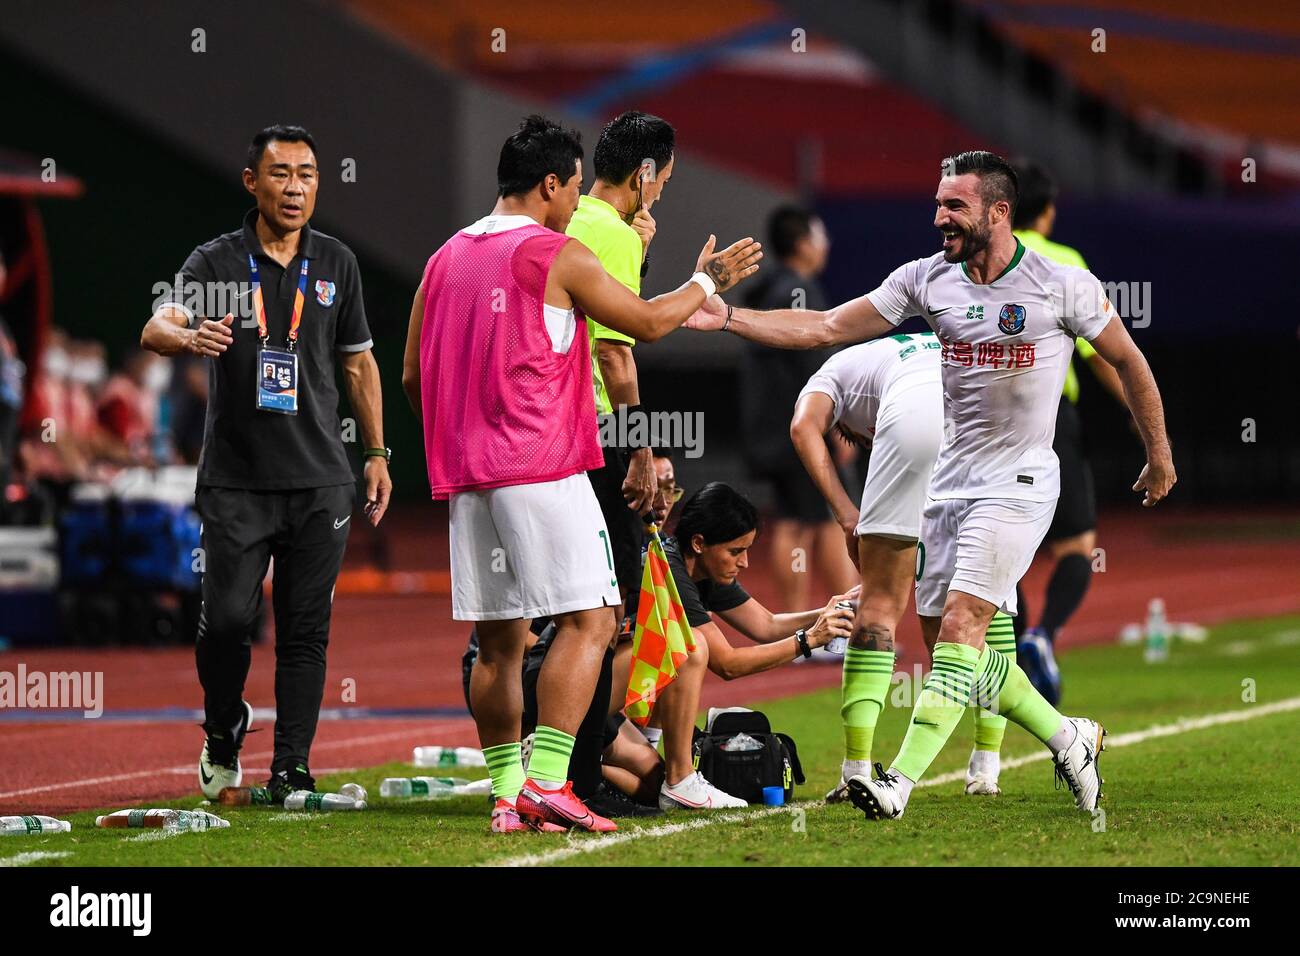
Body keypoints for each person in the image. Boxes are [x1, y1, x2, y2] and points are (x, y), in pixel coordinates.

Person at [688, 149, 1175, 819]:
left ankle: (898, 784)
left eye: (955, 206)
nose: (939, 216)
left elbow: (1128, 360)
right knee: (949, 646)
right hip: (948, 485)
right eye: (938, 203)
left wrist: (1159, 449)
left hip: (1021, 480)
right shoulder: (926, 280)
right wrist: (732, 318)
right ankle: (1070, 737)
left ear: (998, 213)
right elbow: (826, 328)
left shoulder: (1062, 285)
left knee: (961, 626)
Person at [401, 114, 760, 834]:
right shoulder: (552, 253)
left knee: (501, 642)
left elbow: (413, 374)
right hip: (541, 463)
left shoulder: (444, 257)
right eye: (570, 190)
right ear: (550, 184)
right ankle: (548, 782)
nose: (575, 206)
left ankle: (507, 795)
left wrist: (464, 435)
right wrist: (706, 279)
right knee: (593, 619)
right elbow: (646, 326)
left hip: (468, 475)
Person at [141, 124, 392, 803]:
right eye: (280, 174)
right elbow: (155, 326)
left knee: (306, 632)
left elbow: (359, 363)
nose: (295, 187)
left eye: (307, 174)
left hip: (321, 480)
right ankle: (223, 730)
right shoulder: (217, 263)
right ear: (252, 182)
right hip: (236, 482)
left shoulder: (337, 262)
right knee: (224, 622)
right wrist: (189, 336)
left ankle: (291, 769)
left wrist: (375, 452)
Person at [790, 334, 1019, 798]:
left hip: (914, 422)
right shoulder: (928, 341)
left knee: (878, 606)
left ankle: (856, 768)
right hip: (986, 425)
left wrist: (846, 513)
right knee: (980, 602)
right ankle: (986, 765)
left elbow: (802, 428)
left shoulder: (830, 373)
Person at [616, 482, 855, 810]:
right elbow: (727, 663)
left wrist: (827, 610)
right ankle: (676, 777)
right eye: (735, 551)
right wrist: (809, 640)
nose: (743, 562)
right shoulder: (672, 569)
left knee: (653, 787)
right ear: (699, 543)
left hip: (612, 701)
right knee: (691, 648)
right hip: (595, 705)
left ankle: (649, 758)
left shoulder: (698, 566)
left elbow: (766, 625)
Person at [1010, 160, 1130, 704]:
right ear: (1049, 211)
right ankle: (1043, 634)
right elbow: (1104, 352)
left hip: (982, 415)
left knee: (998, 543)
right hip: (1053, 416)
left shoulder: (979, 258)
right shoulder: (1065, 263)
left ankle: (1007, 653)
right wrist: (1135, 408)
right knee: (1077, 544)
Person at [739, 206, 856, 610]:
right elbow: (814, 366)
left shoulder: (774, 290)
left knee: (797, 522)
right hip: (801, 432)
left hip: (775, 429)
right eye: (820, 236)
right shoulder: (797, 292)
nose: (826, 245)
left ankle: (797, 621)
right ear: (803, 243)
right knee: (824, 522)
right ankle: (849, 626)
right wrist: (836, 425)